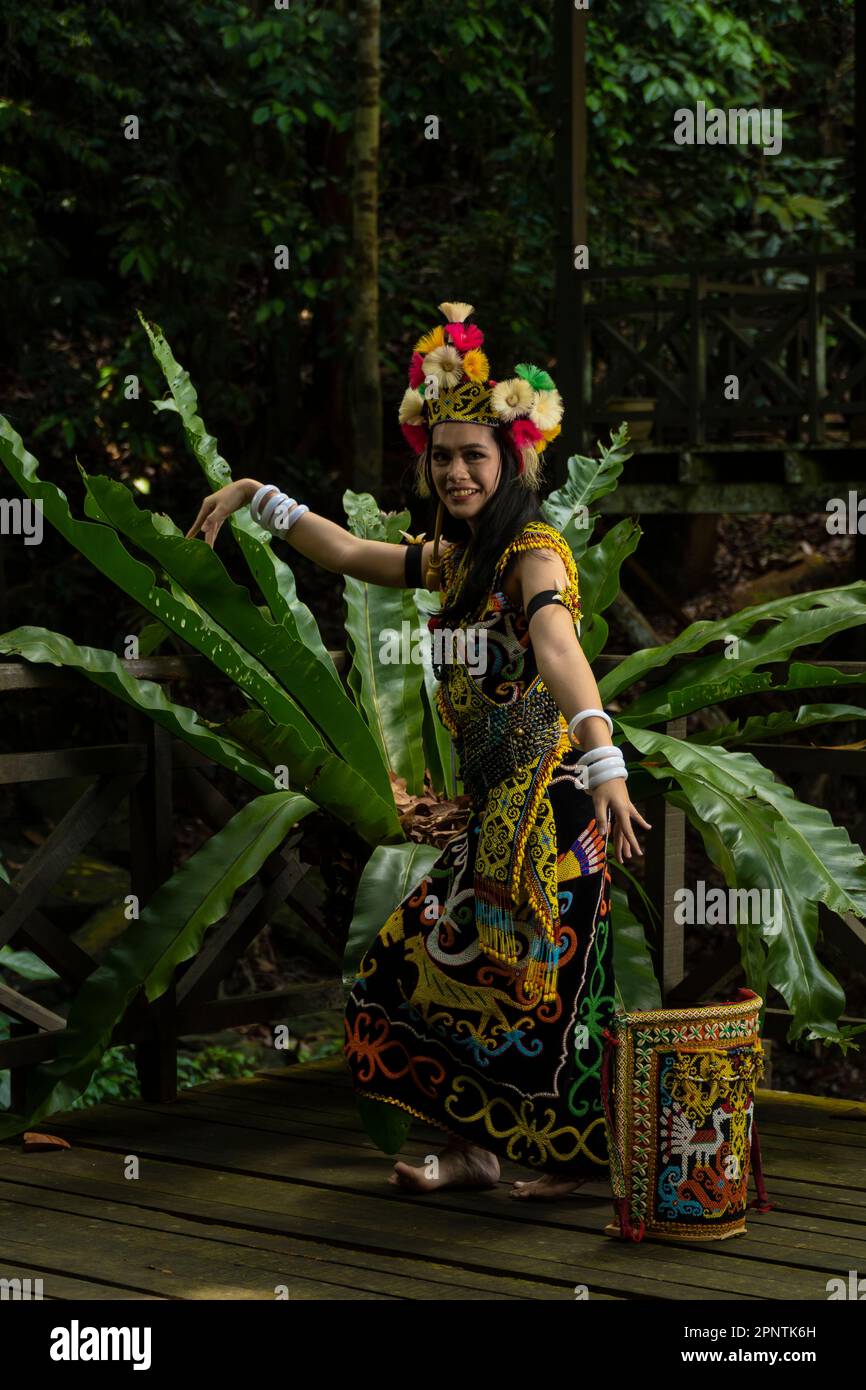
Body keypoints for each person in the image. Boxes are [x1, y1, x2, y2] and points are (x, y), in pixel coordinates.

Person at [187, 300, 650, 1201]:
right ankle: (485, 1156)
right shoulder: (459, 557)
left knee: (525, 991)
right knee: (427, 977)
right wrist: (255, 497)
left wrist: (605, 762)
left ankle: (571, 1165)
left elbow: (557, 647)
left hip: (552, 808)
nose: (456, 471)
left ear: (513, 457)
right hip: (497, 816)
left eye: (475, 454)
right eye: (442, 456)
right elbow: (352, 551)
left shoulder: (532, 556)